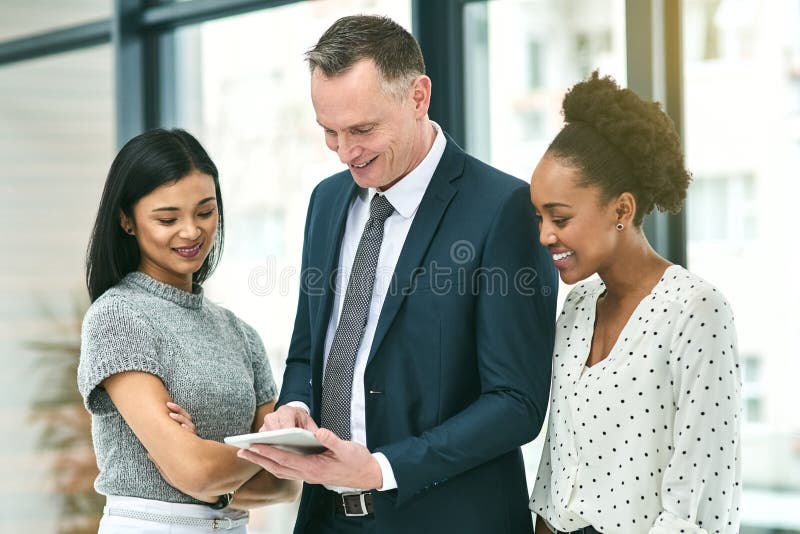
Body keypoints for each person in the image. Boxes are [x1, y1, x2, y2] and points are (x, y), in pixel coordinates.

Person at [236, 14, 557, 534]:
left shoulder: (503, 209)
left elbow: (516, 403)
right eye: (329, 132)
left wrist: (381, 470)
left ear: (418, 97)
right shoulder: (326, 201)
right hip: (325, 519)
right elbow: (306, 350)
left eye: (362, 130)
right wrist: (294, 406)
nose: (345, 152)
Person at [528, 72, 742, 533]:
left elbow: (699, 509)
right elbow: (553, 476)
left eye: (560, 217)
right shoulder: (578, 305)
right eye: (540, 216)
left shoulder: (697, 311)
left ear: (622, 210)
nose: (545, 235)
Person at [78, 128, 299, 533]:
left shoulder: (241, 334)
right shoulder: (117, 317)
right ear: (126, 220)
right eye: (167, 218)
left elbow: (286, 483)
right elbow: (193, 470)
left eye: (205, 211)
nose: (191, 232)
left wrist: (213, 474)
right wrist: (251, 453)